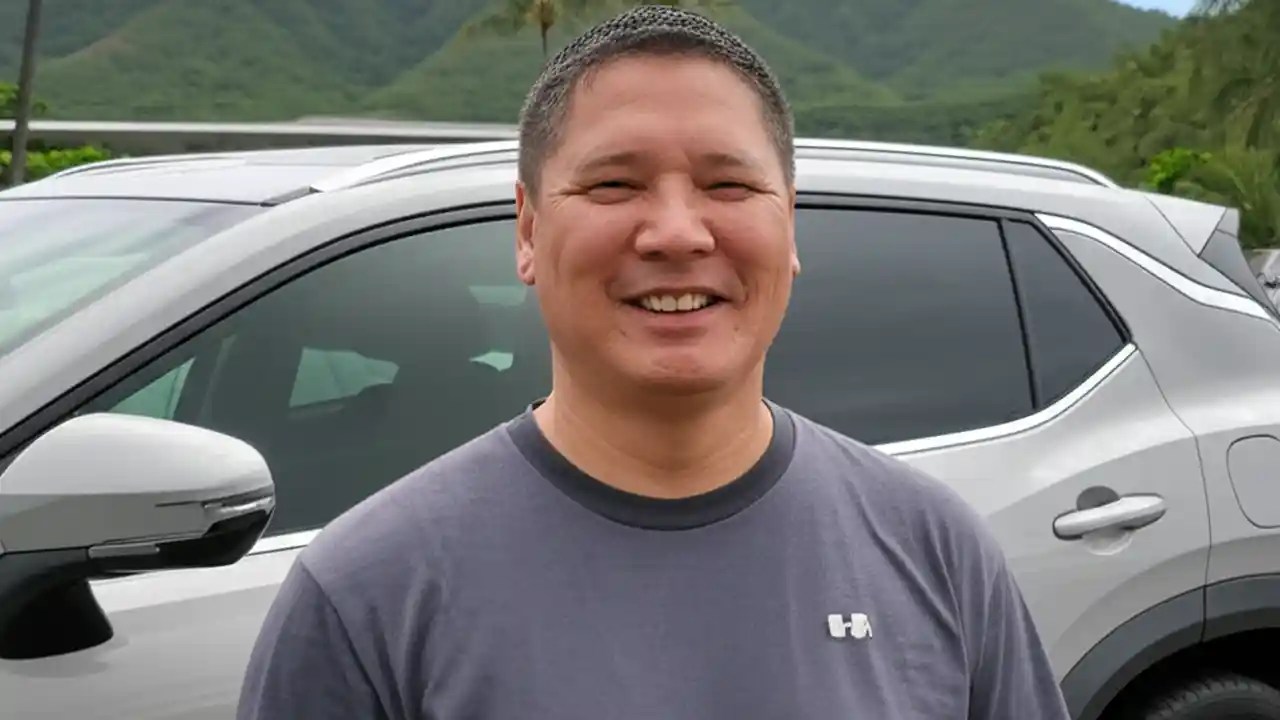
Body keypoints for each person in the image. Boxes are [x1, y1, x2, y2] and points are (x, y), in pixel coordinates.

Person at [235, 6, 1072, 719]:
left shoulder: (936, 552)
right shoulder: (370, 591)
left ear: (792, 227)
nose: (676, 232)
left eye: (729, 186)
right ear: (527, 231)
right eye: (613, 186)